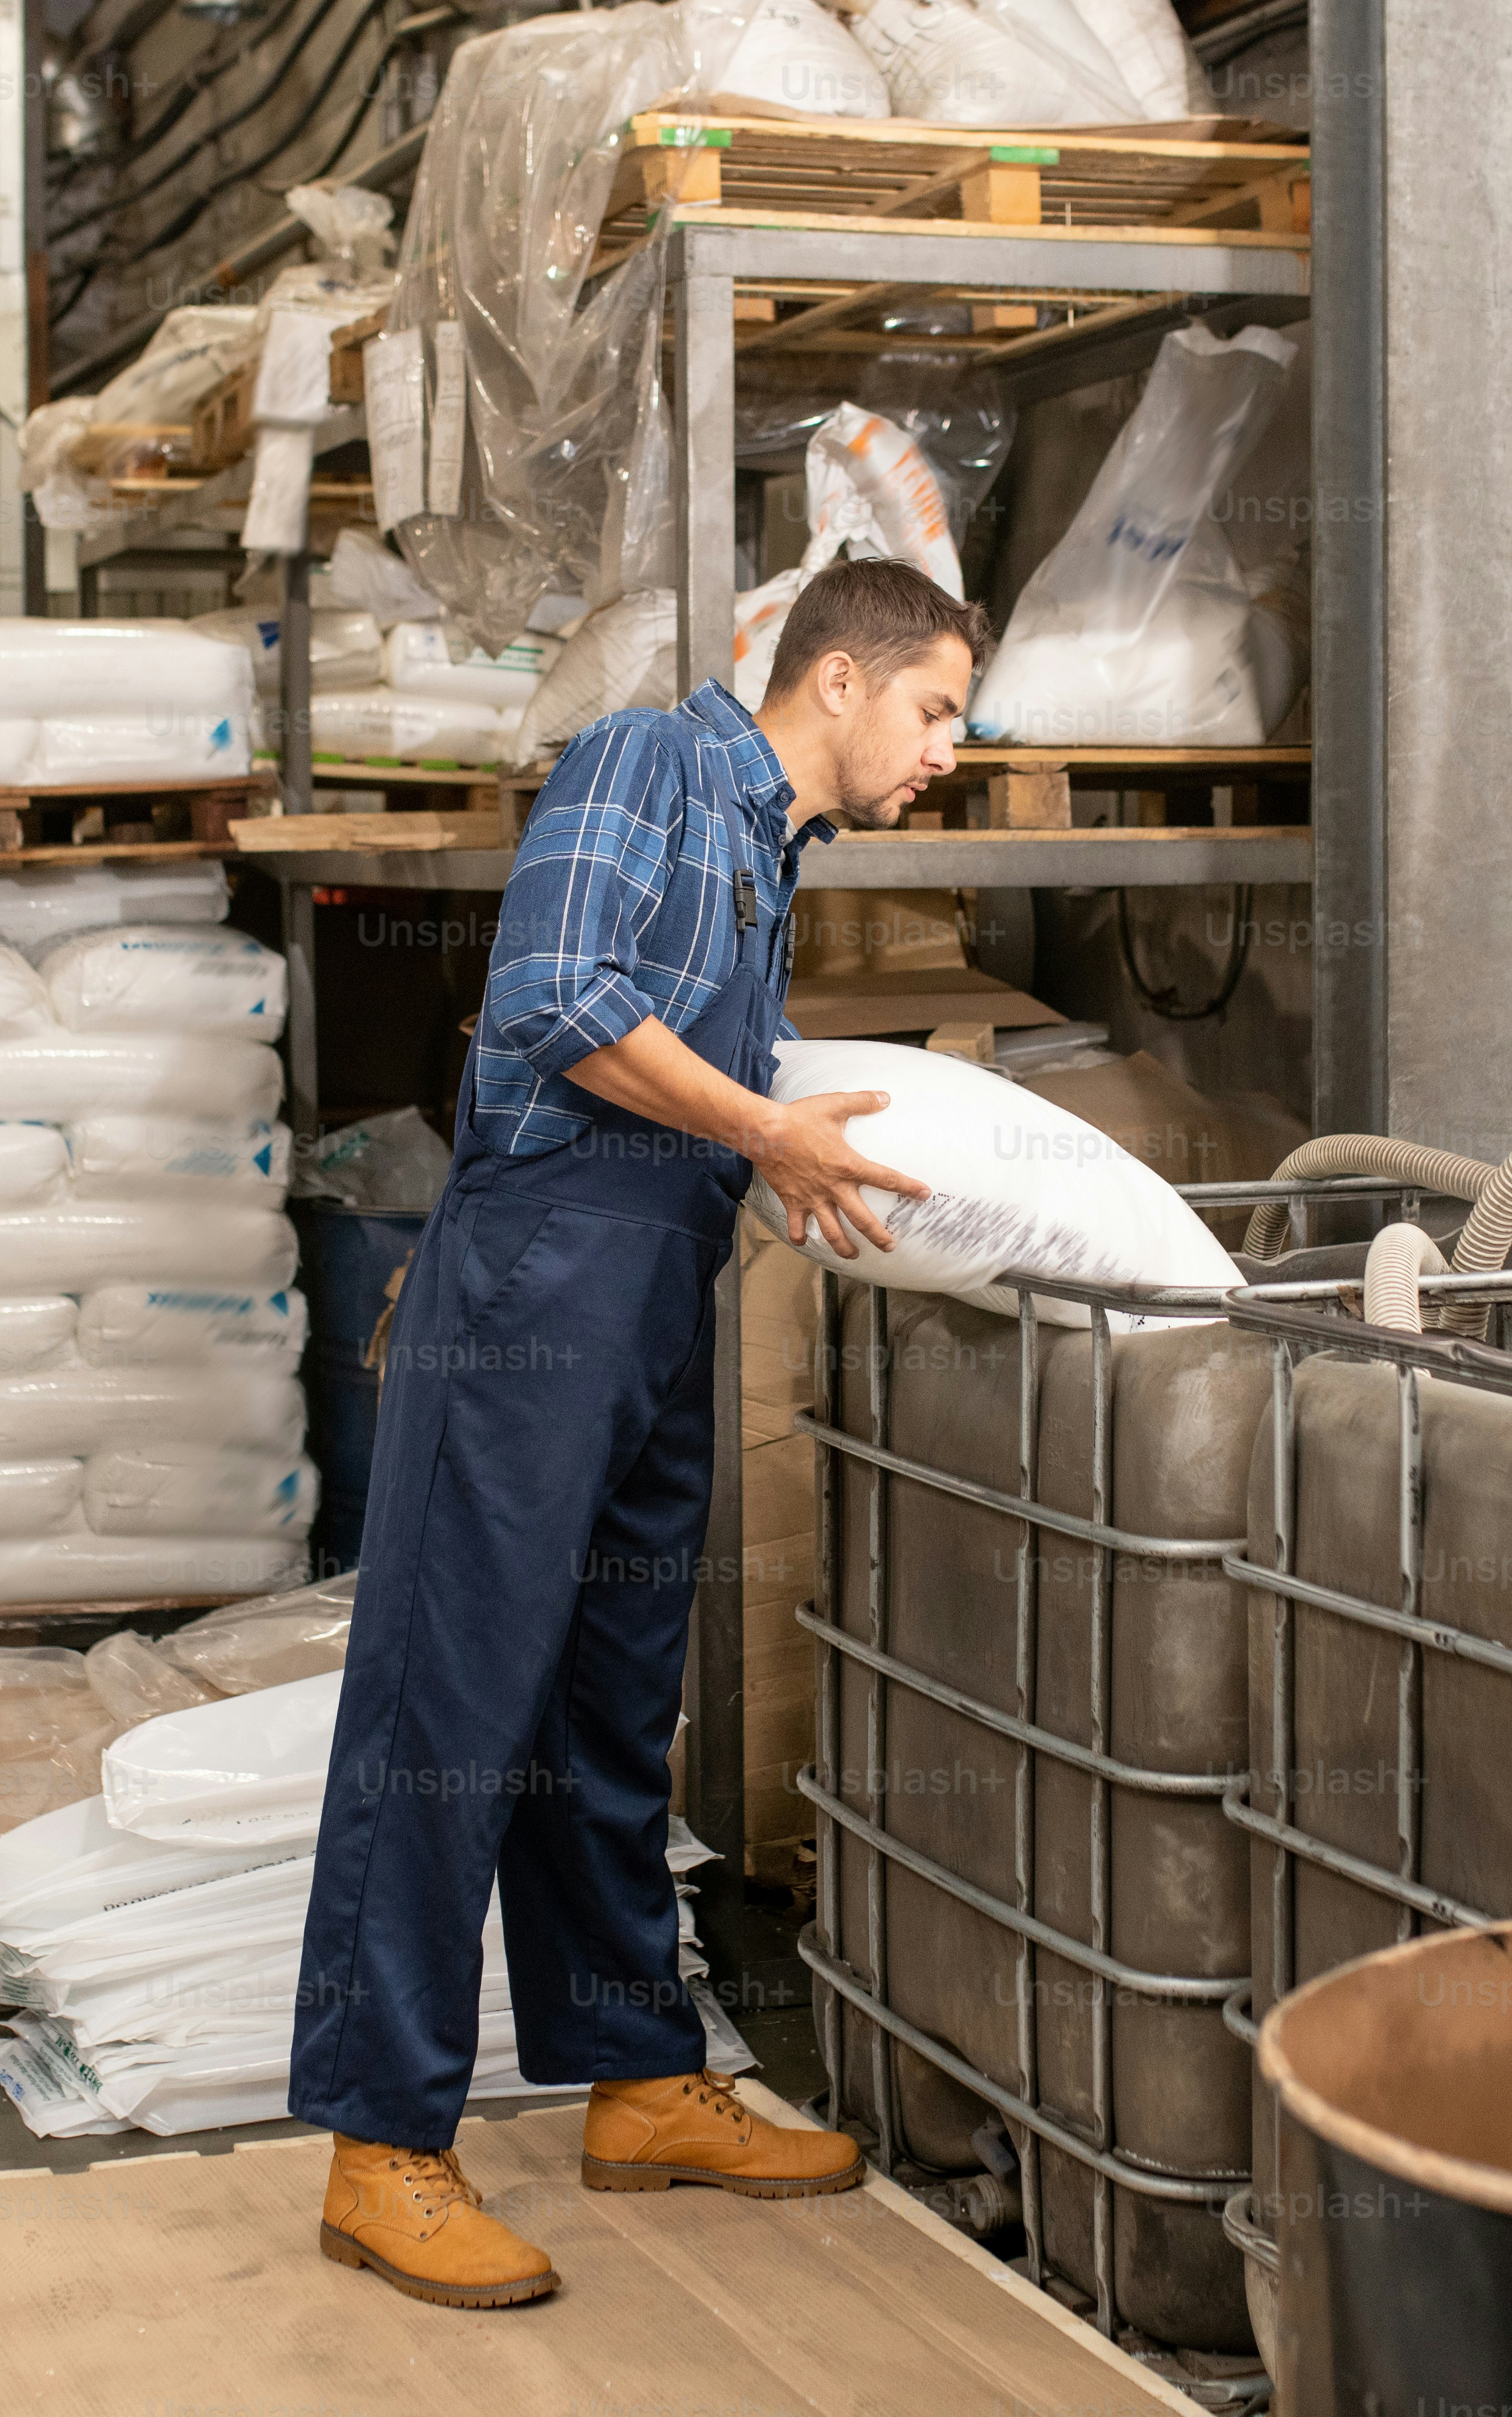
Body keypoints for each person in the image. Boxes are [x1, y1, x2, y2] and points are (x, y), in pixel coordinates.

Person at [289, 558, 992, 2307]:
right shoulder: (653, 763)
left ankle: (634, 2076)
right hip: (534, 1285)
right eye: (934, 711)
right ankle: (381, 2147)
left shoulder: (768, 848)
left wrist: (809, 1139)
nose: (947, 754)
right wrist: (766, 1128)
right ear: (839, 681)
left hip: (652, 1294)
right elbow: (550, 993)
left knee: (609, 1704)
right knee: (451, 1705)